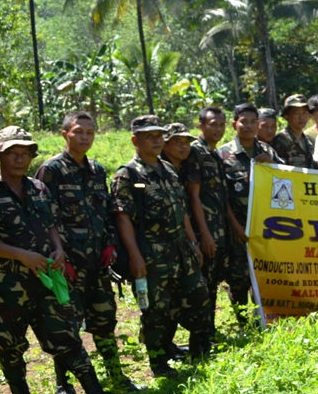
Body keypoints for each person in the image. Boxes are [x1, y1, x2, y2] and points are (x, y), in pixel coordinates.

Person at [0, 127, 128, 394]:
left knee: (66, 336)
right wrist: (21, 255)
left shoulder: (37, 188)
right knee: (10, 346)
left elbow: (51, 223)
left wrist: (58, 248)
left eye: (25, 154)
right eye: (13, 153)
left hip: (46, 280)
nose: (19, 159)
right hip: (6, 286)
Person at [35, 112, 142, 394]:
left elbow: (105, 212)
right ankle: (63, 384)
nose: (84, 137)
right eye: (78, 132)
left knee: (105, 320)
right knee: (67, 327)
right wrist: (61, 260)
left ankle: (116, 375)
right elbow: (45, 219)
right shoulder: (51, 170)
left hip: (97, 263)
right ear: (64, 134)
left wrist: (110, 245)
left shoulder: (97, 170)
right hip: (68, 265)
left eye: (90, 133)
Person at [111, 115, 214, 378]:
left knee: (199, 297)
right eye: (149, 136)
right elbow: (123, 218)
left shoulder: (168, 170)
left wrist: (193, 243)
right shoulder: (128, 174)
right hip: (151, 255)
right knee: (157, 311)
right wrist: (134, 257)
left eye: (159, 135)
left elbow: (183, 212)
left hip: (181, 249)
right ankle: (159, 363)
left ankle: (200, 352)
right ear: (135, 140)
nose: (156, 140)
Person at [163, 122, 228, 343]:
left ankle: (199, 338)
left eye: (186, 142)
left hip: (186, 240)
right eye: (177, 142)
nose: (183, 147)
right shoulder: (161, 170)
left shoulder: (179, 168)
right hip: (166, 245)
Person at [220, 103, 281, 326]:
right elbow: (221, 197)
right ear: (235, 124)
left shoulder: (268, 151)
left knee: (265, 274)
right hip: (237, 229)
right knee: (238, 279)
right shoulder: (223, 155)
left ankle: (263, 320)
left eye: (253, 121)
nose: (248, 126)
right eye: (243, 121)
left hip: (266, 230)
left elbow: (286, 183)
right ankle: (243, 323)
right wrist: (235, 227)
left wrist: (272, 165)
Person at [270, 94, 315, 168]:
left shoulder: (307, 140)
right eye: (296, 113)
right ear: (286, 116)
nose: (301, 117)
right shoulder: (281, 140)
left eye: (304, 113)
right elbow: (277, 169)